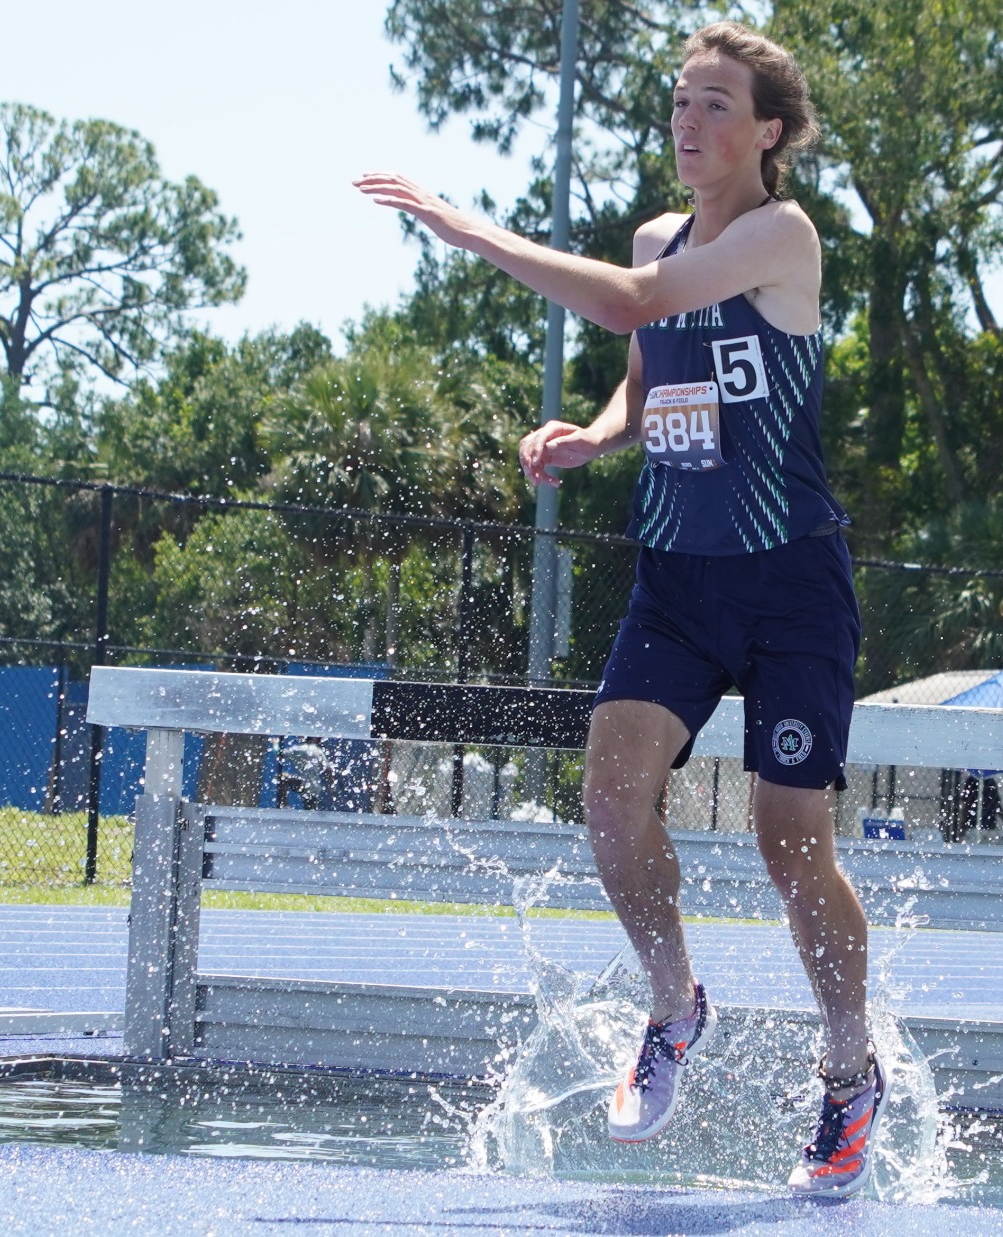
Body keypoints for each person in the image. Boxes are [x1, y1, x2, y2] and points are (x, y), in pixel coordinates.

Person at [356, 22, 881, 1196]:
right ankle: (673, 1004)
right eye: (678, 102)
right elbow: (652, 360)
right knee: (607, 800)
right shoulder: (658, 234)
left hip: (791, 581)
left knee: (790, 843)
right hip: (680, 573)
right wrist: (596, 434)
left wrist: (462, 225)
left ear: (767, 132)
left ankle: (849, 1074)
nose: (686, 123)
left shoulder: (778, 235)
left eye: (713, 105)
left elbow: (634, 299)